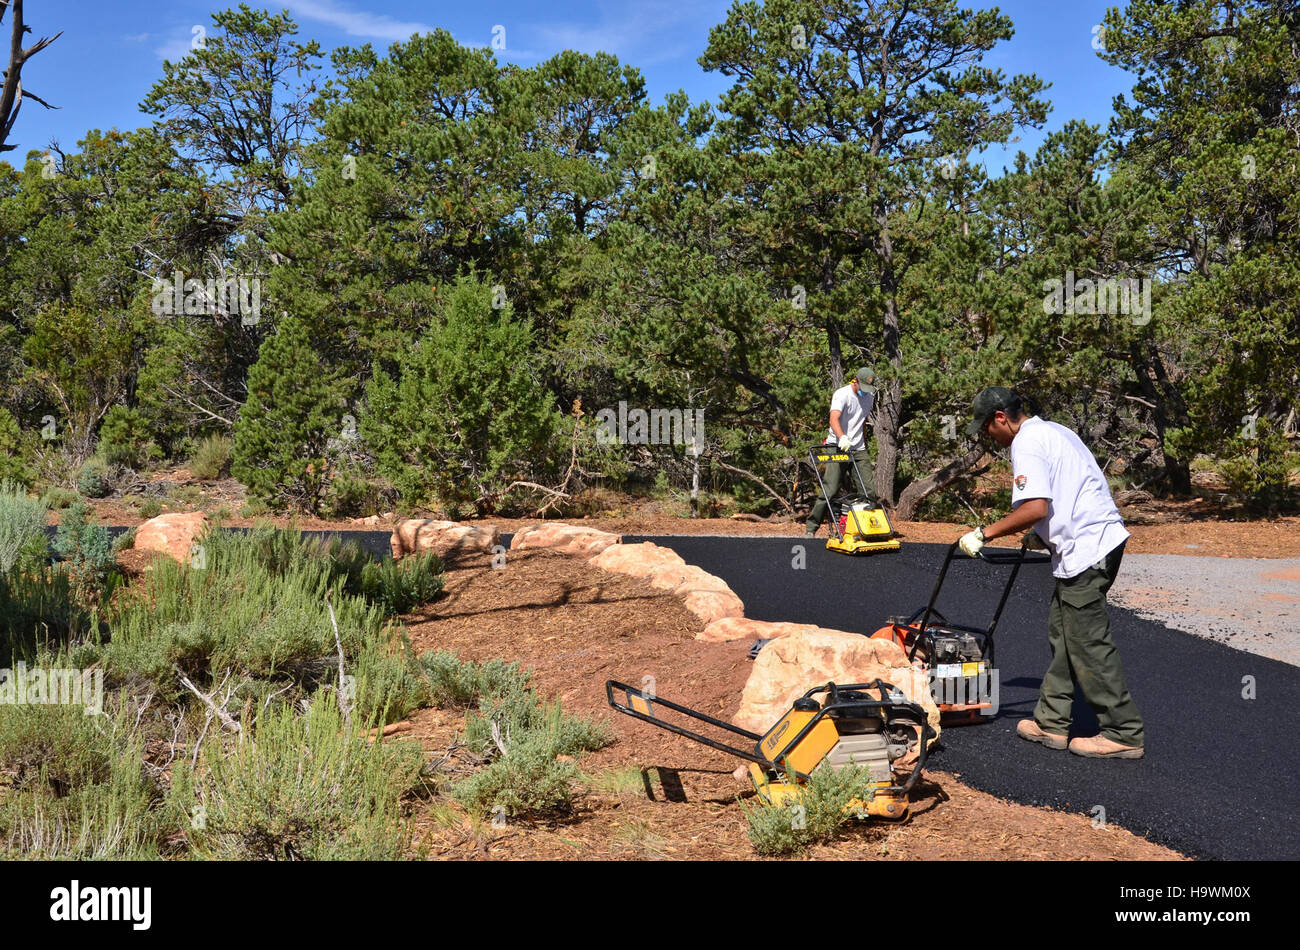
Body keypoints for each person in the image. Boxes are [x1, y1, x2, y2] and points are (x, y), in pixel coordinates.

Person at [958, 386, 1145, 759]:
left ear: (1000, 418)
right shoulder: (1055, 431)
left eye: (986, 429)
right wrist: (1043, 536)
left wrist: (985, 533)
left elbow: (1036, 507)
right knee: (1065, 632)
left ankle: (1123, 731)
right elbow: (1069, 492)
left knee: (1088, 640)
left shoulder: (1025, 443)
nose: (987, 437)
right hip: (1095, 542)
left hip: (1088, 550)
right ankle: (1051, 721)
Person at [805, 366, 877, 537]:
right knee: (830, 489)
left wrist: (863, 445)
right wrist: (842, 437)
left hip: (858, 448)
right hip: (838, 445)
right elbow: (833, 418)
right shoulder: (842, 394)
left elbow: (862, 422)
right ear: (855, 381)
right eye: (863, 388)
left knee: (869, 492)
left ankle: (865, 530)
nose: (865, 392)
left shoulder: (870, 397)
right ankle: (811, 527)